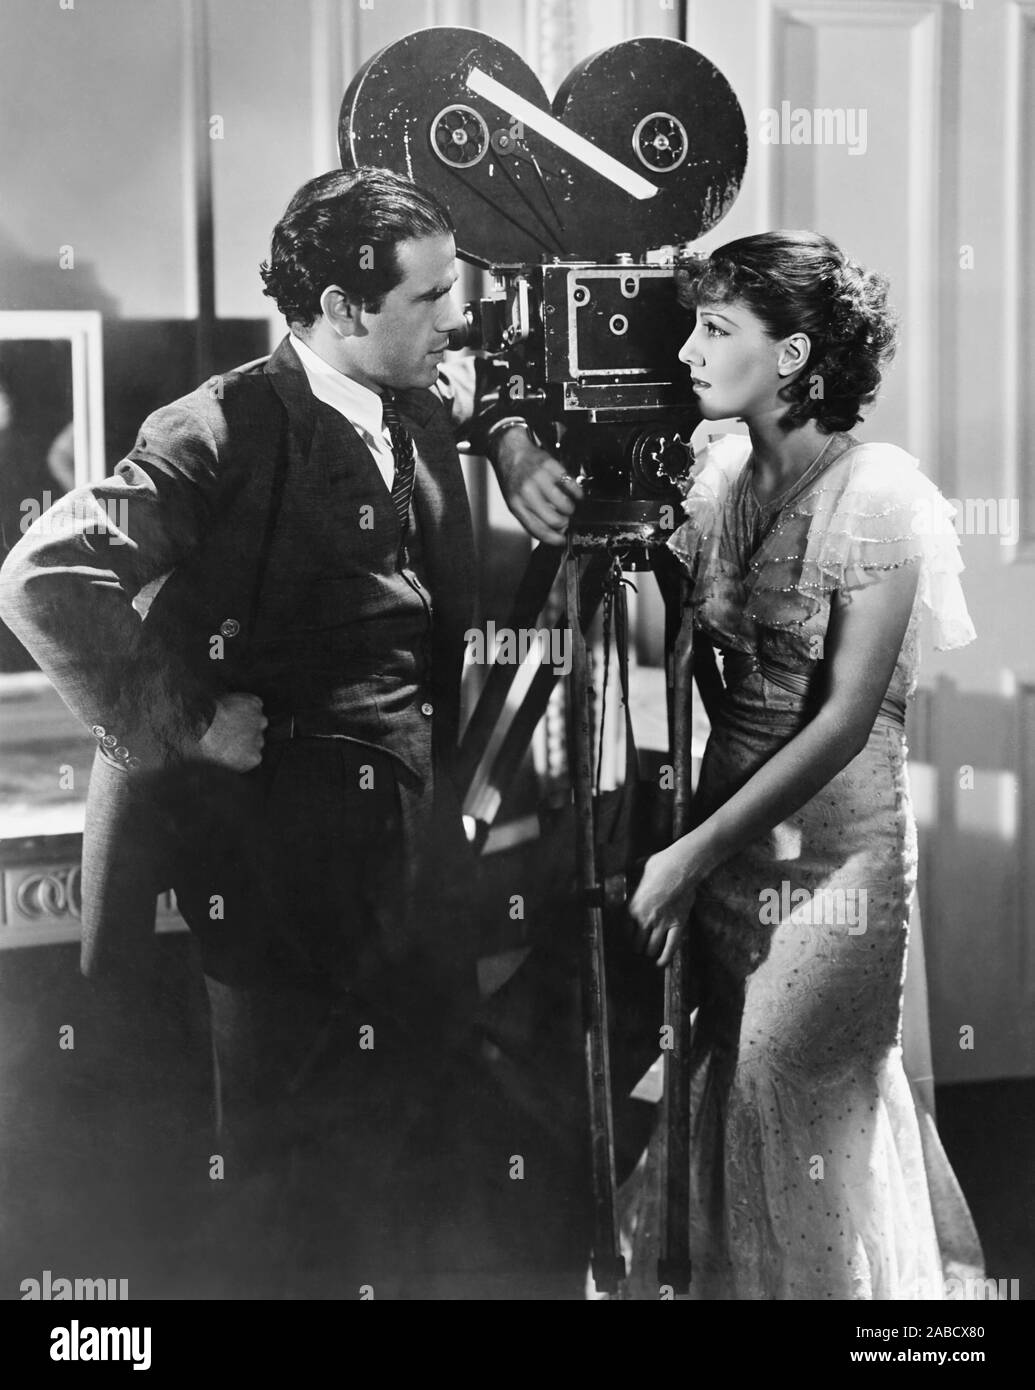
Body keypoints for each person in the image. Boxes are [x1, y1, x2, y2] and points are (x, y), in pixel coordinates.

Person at [0, 166, 574, 1297]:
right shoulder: (220, 425)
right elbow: (41, 575)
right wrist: (188, 713)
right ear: (344, 309)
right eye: (431, 297)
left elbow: (479, 388)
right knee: (287, 1181)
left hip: (413, 868)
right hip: (278, 882)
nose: (455, 316)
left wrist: (510, 443)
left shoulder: (409, 385)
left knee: (415, 1157)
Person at [614, 230, 985, 1300]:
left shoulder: (878, 495)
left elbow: (840, 719)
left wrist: (687, 853)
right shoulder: (720, 474)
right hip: (733, 823)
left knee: (790, 1077)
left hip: (838, 852)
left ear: (792, 357)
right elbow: (704, 669)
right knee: (729, 1077)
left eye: (717, 330)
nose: (687, 351)